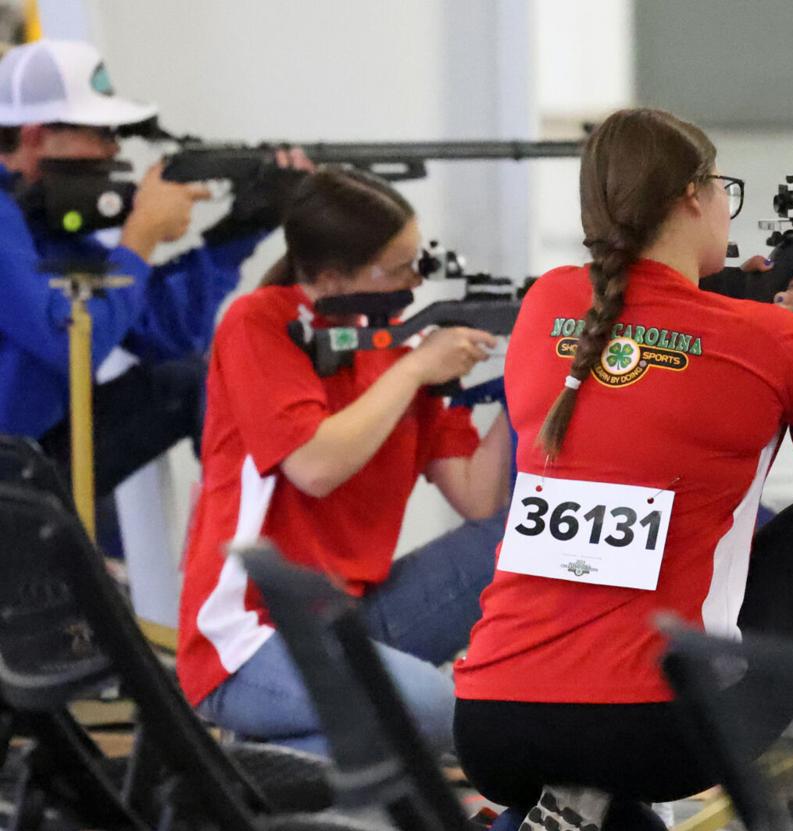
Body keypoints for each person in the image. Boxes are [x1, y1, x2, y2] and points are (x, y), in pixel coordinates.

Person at [451, 107, 793, 831]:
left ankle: (565, 808)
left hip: (491, 715)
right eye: (722, 190)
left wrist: (740, 304)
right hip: (655, 729)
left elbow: (657, 348)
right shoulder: (772, 341)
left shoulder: (548, 303)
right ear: (690, 196)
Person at [176, 167, 510, 757]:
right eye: (401, 267)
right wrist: (414, 371)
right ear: (331, 278)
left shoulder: (395, 344)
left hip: (347, 615)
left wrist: (532, 383)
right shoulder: (260, 323)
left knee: (514, 542)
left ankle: (287, 752)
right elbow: (314, 464)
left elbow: (477, 498)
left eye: (419, 262)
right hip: (250, 634)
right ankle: (240, 776)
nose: (415, 279)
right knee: (438, 712)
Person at [0, 39, 299, 496]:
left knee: (186, 380)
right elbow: (71, 345)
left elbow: (168, 334)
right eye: (99, 134)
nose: (111, 150)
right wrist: (139, 238)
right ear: (37, 135)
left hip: (32, 452)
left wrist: (238, 231)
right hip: (12, 469)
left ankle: (248, 547)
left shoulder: (40, 217)